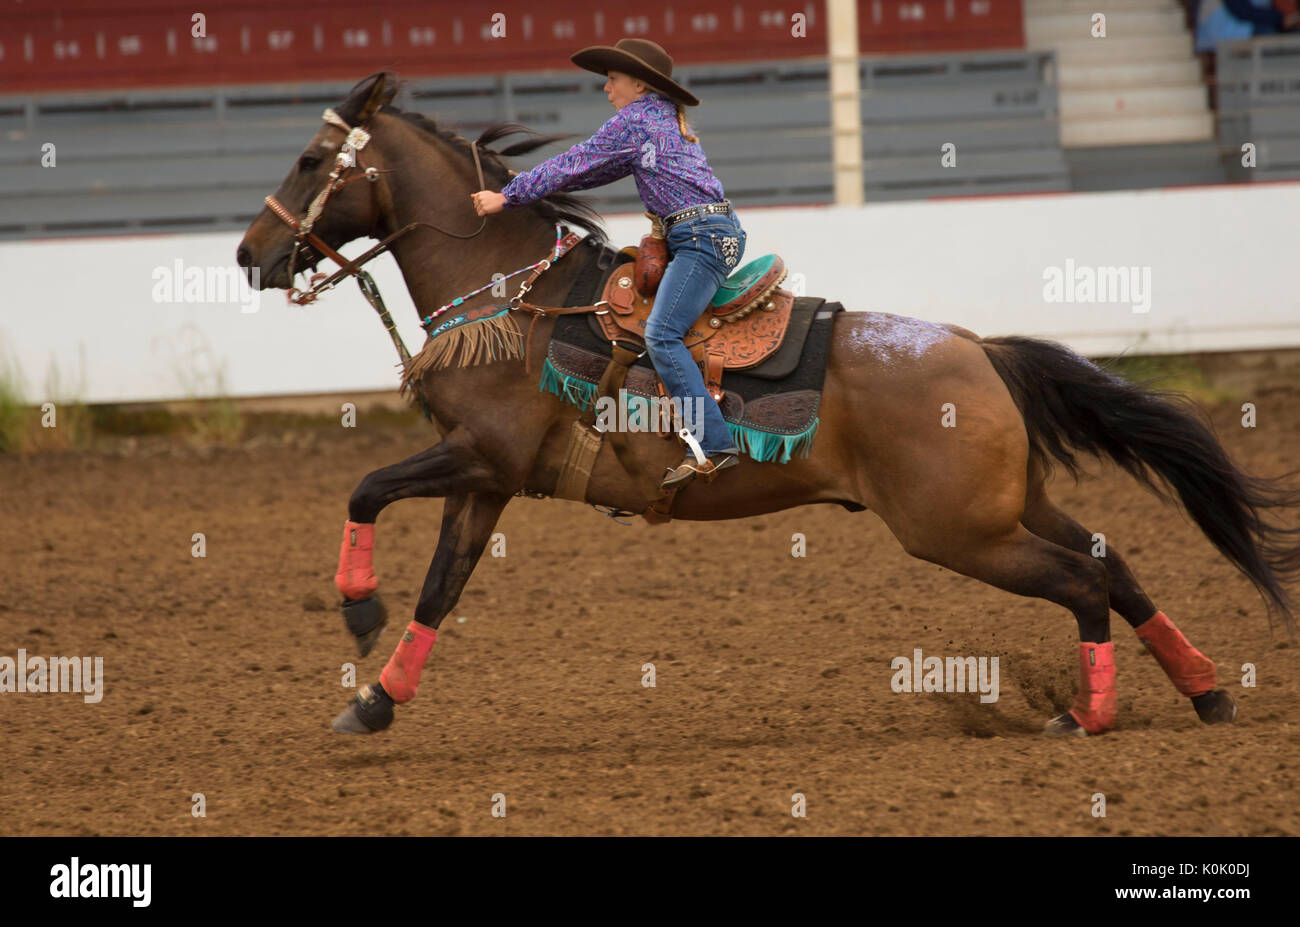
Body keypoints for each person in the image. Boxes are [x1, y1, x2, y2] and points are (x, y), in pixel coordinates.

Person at [471, 38, 745, 491]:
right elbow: (593, 170)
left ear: (639, 84)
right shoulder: (655, 120)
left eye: (612, 79)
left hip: (699, 238)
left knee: (661, 333)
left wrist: (508, 196)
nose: (606, 88)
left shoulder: (637, 119)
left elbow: (578, 161)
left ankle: (714, 446)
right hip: (706, 233)